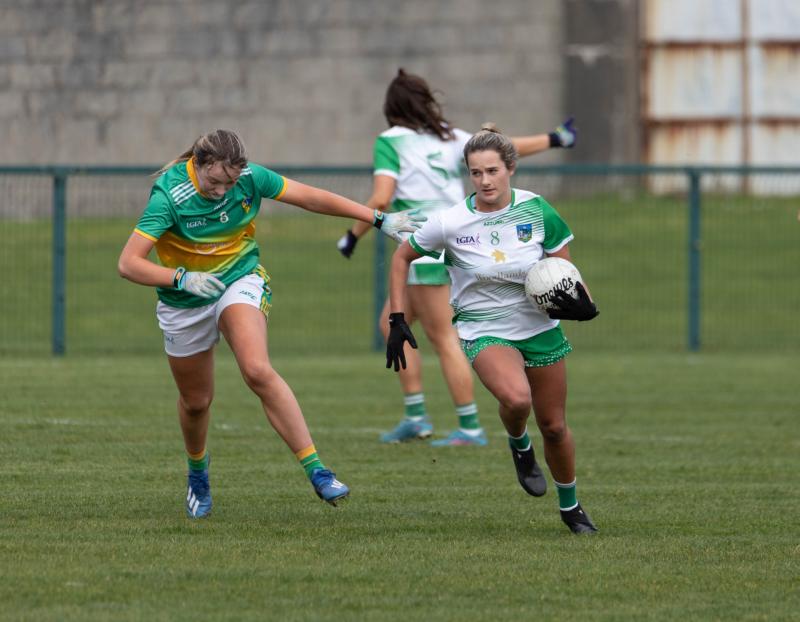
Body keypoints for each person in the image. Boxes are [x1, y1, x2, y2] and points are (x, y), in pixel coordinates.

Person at [118, 129, 424, 518]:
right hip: (184, 300)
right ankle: (198, 471)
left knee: (257, 369)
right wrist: (181, 278)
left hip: (239, 278)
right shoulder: (169, 196)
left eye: (230, 183)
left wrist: (378, 219)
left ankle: (318, 470)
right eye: (215, 182)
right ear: (199, 165)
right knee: (197, 403)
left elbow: (311, 197)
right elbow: (128, 264)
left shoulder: (249, 179)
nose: (222, 191)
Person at [336, 68, 578, 446]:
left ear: (391, 108)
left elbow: (381, 198)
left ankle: (469, 426)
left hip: (429, 240)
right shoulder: (448, 136)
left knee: (444, 336)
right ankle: (416, 415)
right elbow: (503, 145)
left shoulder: (390, 141)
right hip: (460, 239)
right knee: (391, 323)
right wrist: (554, 139)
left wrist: (352, 234)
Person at [385, 126, 599, 534]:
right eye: (476, 172)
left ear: (511, 169)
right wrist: (397, 318)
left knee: (554, 425)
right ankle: (519, 443)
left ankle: (571, 508)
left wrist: (580, 300)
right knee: (517, 400)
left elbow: (563, 269)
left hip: (539, 327)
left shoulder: (537, 210)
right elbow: (402, 257)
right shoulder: (450, 221)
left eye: (492, 171)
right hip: (483, 328)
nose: (484, 180)